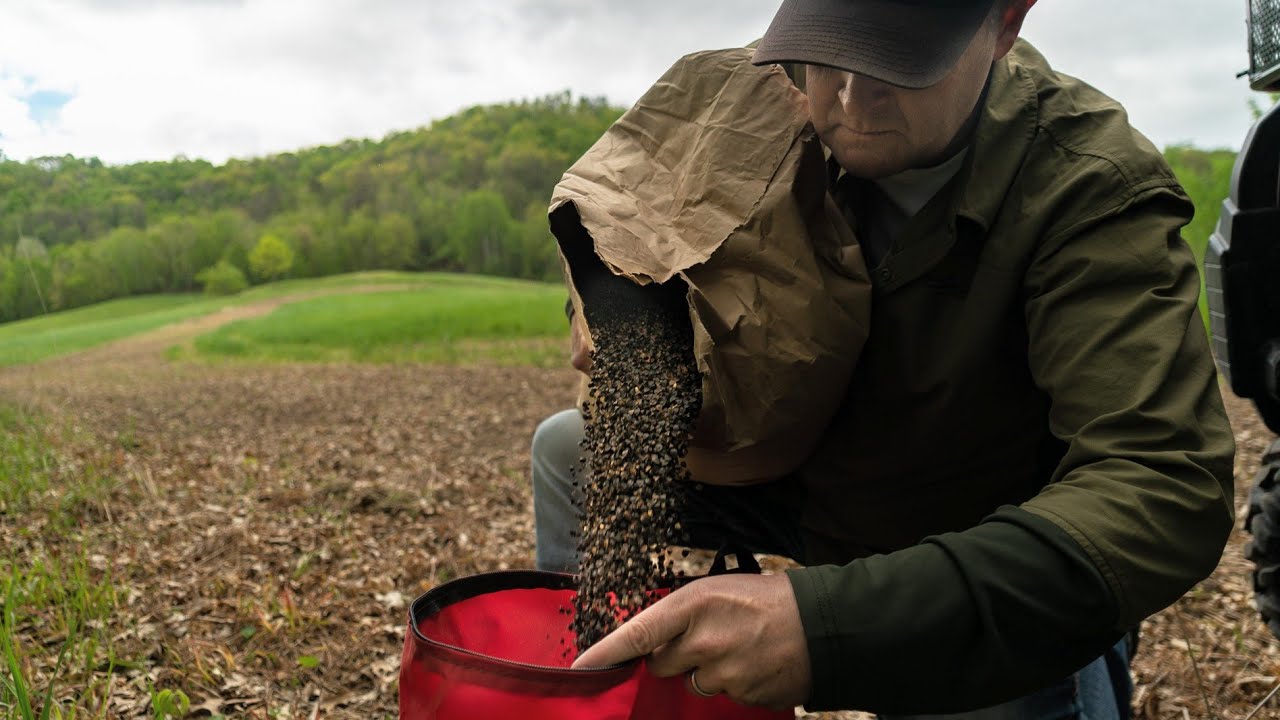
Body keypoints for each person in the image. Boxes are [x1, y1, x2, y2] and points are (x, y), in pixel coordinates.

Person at [532, 0, 1237, 717]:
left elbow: (1160, 484)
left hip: (970, 541)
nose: (845, 98)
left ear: (1003, 26)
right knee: (569, 448)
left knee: (1014, 675)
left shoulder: (1085, 182)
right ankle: (600, 687)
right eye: (828, 53)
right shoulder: (755, 95)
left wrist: (828, 628)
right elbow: (621, 221)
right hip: (811, 489)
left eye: (894, 65)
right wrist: (623, 313)